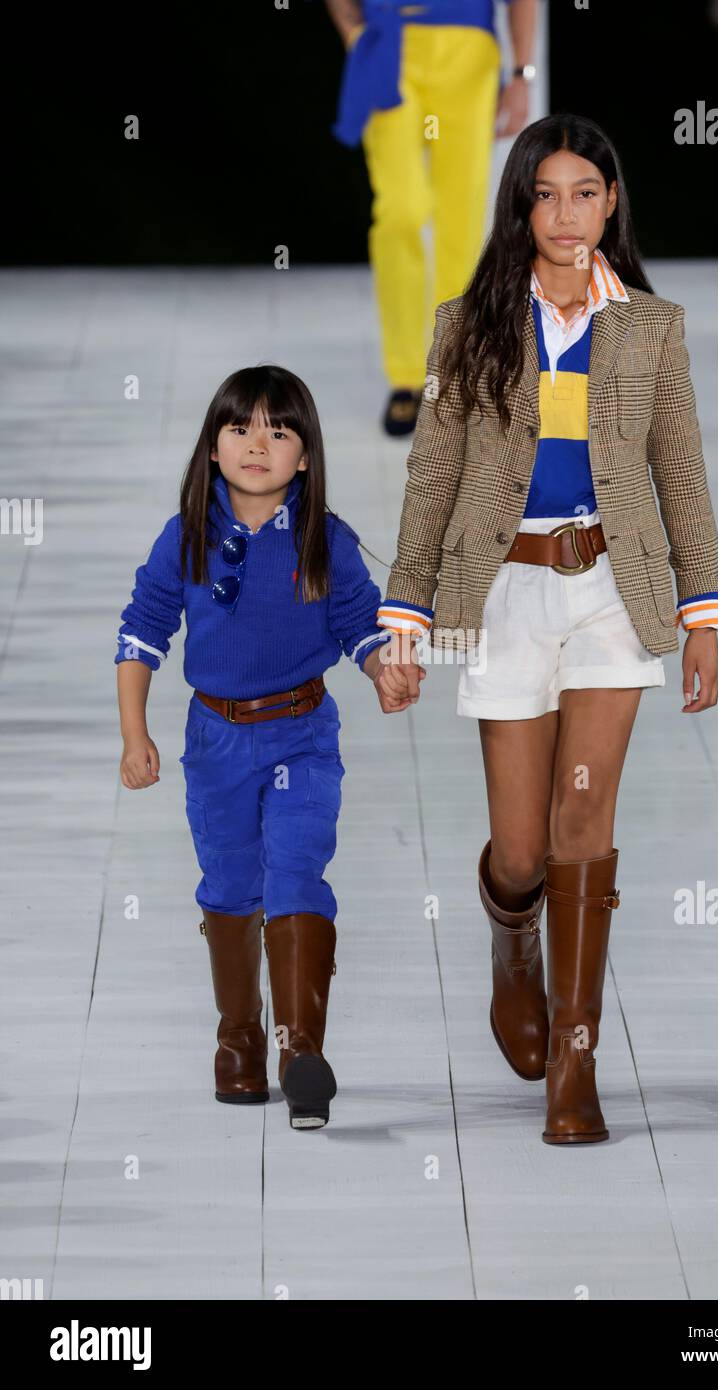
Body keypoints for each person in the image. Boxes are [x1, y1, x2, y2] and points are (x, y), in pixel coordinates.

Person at [374, 114, 718, 1145]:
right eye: (546, 194)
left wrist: (702, 614)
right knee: (523, 850)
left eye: (585, 192)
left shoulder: (650, 328)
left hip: (612, 596)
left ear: (611, 203)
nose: (567, 213)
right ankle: (510, 946)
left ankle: (573, 1062)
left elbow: (682, 476)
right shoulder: (470, 325)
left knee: (585, 826)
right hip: (506, 595)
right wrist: (402, 616)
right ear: (520, 206)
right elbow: (433, 476)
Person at [115, 366, 407, 1129]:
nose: (258, 443)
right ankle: (238, 1036)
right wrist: (134, 733)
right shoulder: (186, 537)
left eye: (281, 431)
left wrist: (384, 669)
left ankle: (298, 1045)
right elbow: (141, 632)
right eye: (241, 427)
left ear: (305, 457)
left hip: (303, 735)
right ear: (212, 447)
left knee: (298, 866)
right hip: (214, 741)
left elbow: (359, 621)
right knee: (230, 883)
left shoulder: (325, 539)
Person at [326, 0, 538, 434]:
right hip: (391, 45)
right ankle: (406, 375)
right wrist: (356, 36)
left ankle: (450, 370)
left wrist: (521, 74)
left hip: (468, 51)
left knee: (460, 216)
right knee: (400, 209)